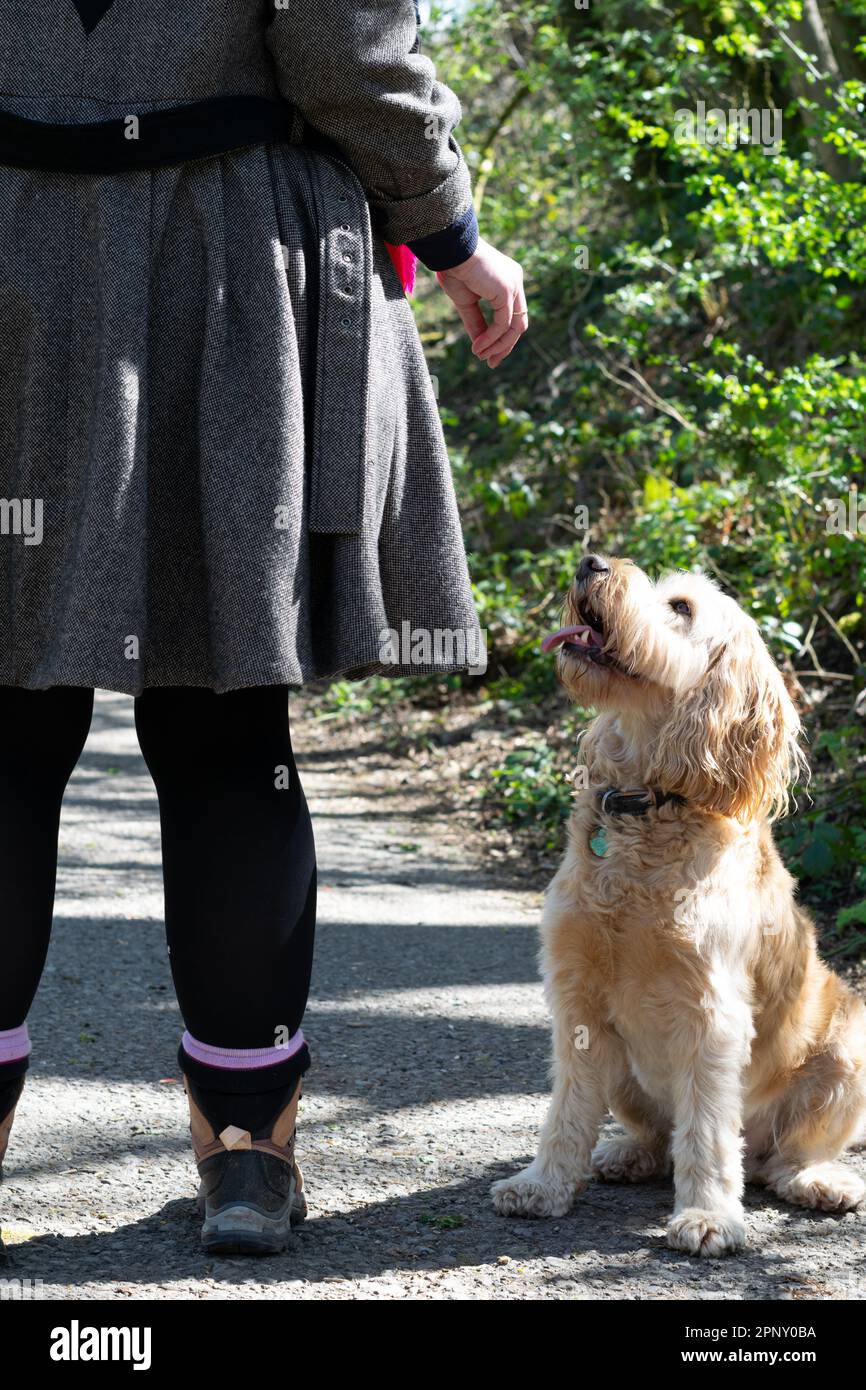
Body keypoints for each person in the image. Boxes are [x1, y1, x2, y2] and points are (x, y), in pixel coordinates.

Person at [0, 1, 526, 1255]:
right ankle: (245, 1153)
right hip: (219, 270)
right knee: (231, 730)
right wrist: (447, 230)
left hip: (12, 254)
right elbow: (350, 54)